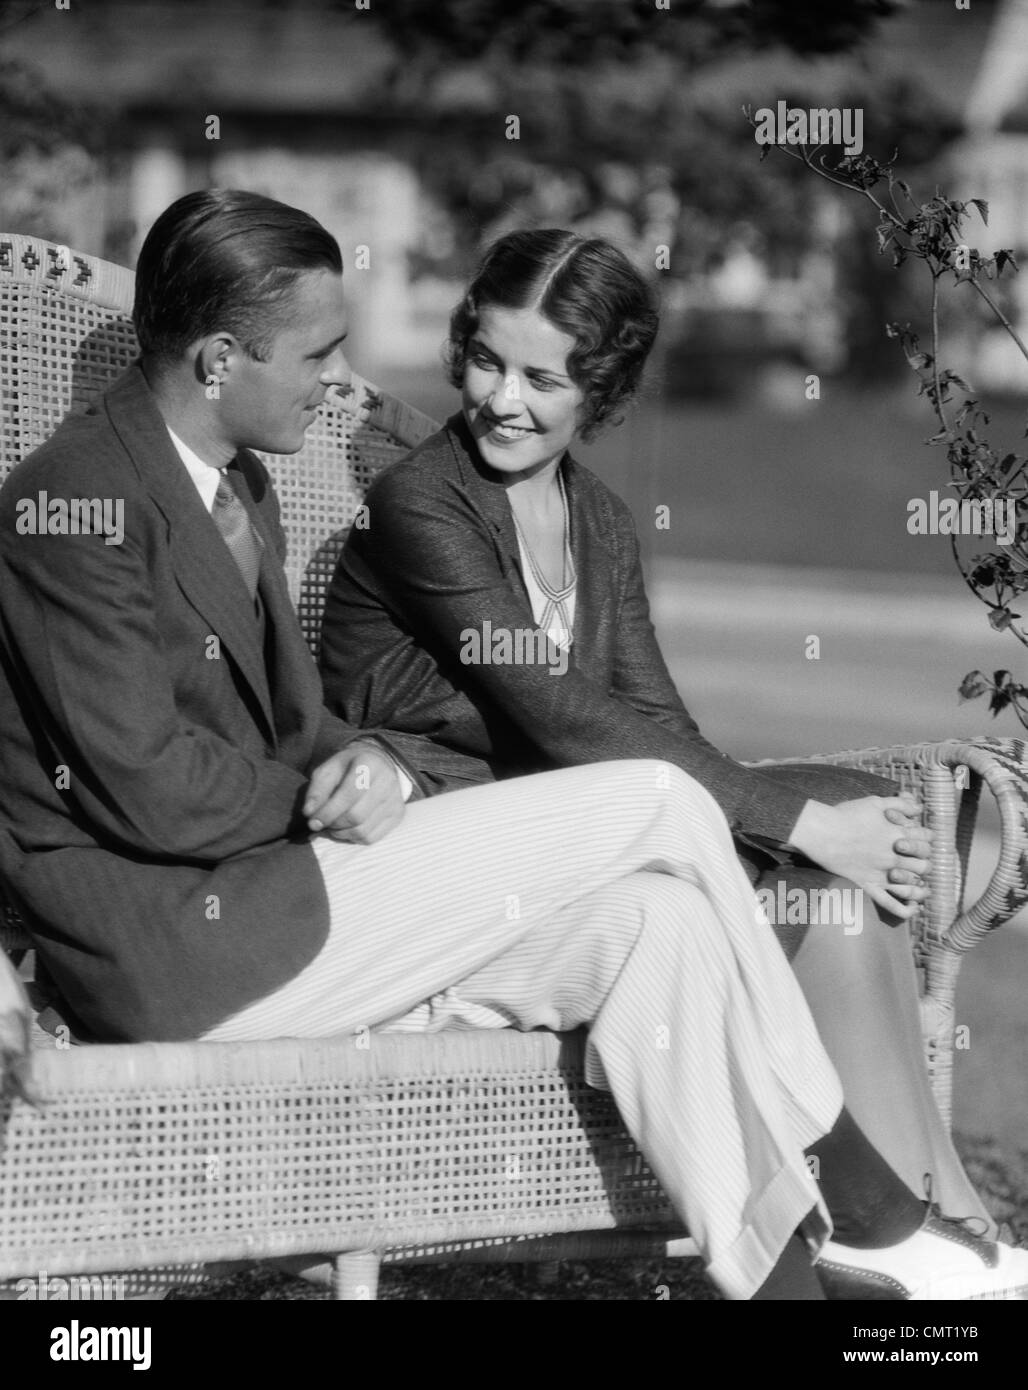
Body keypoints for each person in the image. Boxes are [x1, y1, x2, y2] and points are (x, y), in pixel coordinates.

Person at [0, 192, 1024, 1303]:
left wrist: (365, 762)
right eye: (319, 353)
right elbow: (151, 790)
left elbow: (298, 725)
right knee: (653, 802)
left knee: (661, 924)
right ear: (215, 360)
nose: (341, 382)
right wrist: (323, 791)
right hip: (189, 951)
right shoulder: (74, 504)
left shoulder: (239, 484)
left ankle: (797, 1286)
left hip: (295, 896)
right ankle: (870, 1198)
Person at [319, 227, 1011, 1253]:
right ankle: (911, 1228)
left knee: (824, 884)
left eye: (542, 378)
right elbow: (562, 712)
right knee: (811, 845)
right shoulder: (420, 504)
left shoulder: (594, 516)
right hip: (458, 854)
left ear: (598, 391)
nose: (502, 398)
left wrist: (805, 825)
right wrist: (799, 817)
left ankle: (931, 1210)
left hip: (588, 821)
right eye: (486, 360)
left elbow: (655, 717)